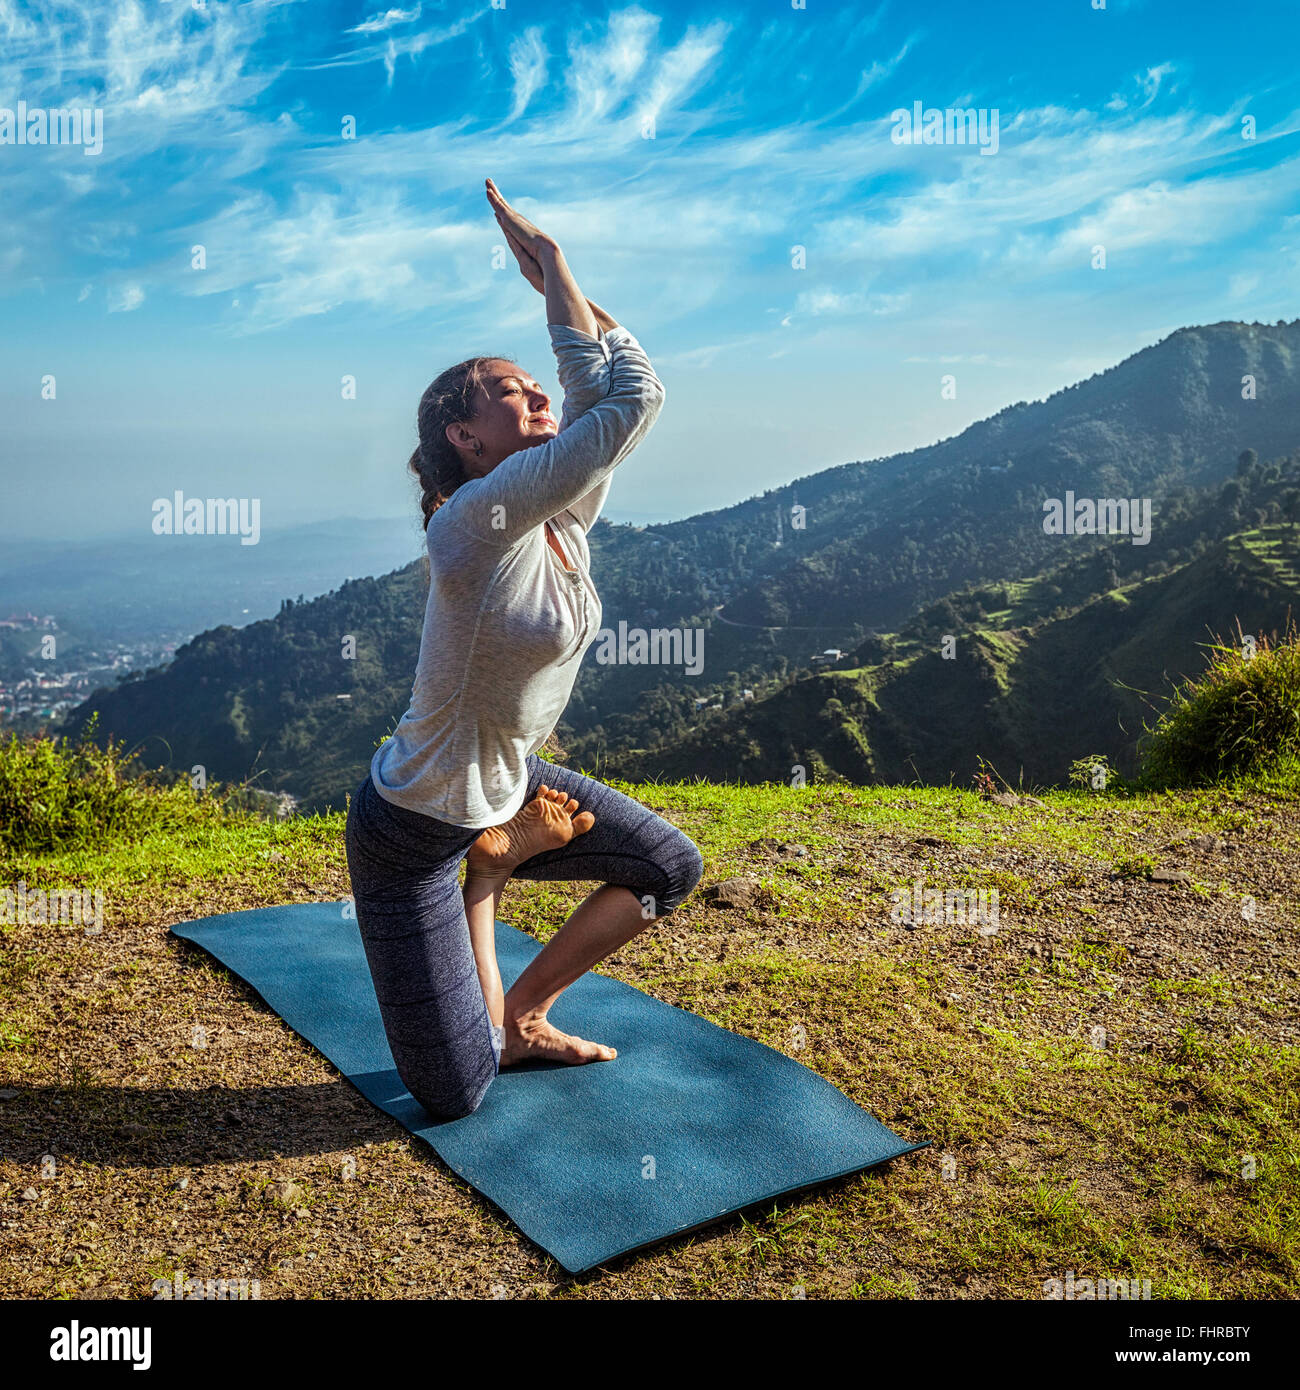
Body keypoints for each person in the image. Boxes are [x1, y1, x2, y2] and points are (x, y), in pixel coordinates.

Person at [344, 178, 705, 1122]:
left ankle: (525, 1015)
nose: (536, 390)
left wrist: (557, 288)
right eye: (509, 391)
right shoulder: (474, 522)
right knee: (457, 1094)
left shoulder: (558, 518)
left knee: (667, 867)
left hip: (507, 779)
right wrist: (555, 268)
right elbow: (630, 400)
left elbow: (598, 394)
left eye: (530, 381)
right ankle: (489, 877)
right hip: (414, 832)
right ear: (465, 439)